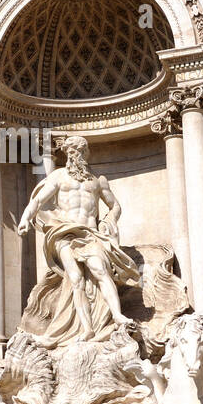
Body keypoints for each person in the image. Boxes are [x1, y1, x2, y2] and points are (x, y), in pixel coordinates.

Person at [16, 135, 140, 345]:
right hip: (64, 232)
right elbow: (38, 200)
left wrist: (109, 221)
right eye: (73, 151)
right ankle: (87, 328)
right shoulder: (58, 177)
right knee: (75, 278)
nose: (77, 155)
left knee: (100, 270)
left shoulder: (98, 181)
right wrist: (25, 218)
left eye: (81, 151)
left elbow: (115, 206)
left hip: (90, 233)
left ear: (86, 153)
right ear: (67, 154)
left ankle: (117, 316)